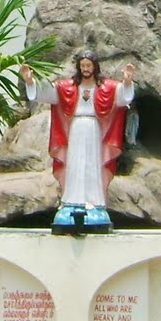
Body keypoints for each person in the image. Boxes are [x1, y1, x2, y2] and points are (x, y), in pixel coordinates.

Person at [21, 52, 135, 214]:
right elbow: (48, 92)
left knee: (92, 163)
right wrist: (30, 81)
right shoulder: (68, 87)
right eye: (83, 66)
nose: (85, 69)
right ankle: (72, 200)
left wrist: (127, 82)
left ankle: (94, 201)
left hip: (94, 128)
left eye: (88, 65)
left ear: (95, 67)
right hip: (76, 128)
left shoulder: (106, 87)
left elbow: (122, 97)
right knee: (74, 162)